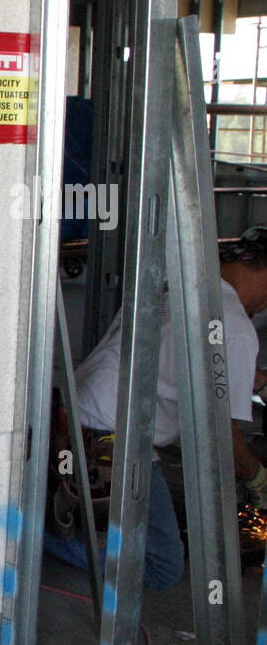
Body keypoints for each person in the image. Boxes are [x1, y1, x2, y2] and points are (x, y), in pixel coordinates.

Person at [46, 228, 267, 590]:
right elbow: (220, 435)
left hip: (74, 411)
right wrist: (256, 476)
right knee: (162, 565)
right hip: (111, 437)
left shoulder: (175, 287)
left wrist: (249, 377)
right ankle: (35, 538)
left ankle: (61, 516)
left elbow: (183, 359)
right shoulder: (238, 330)